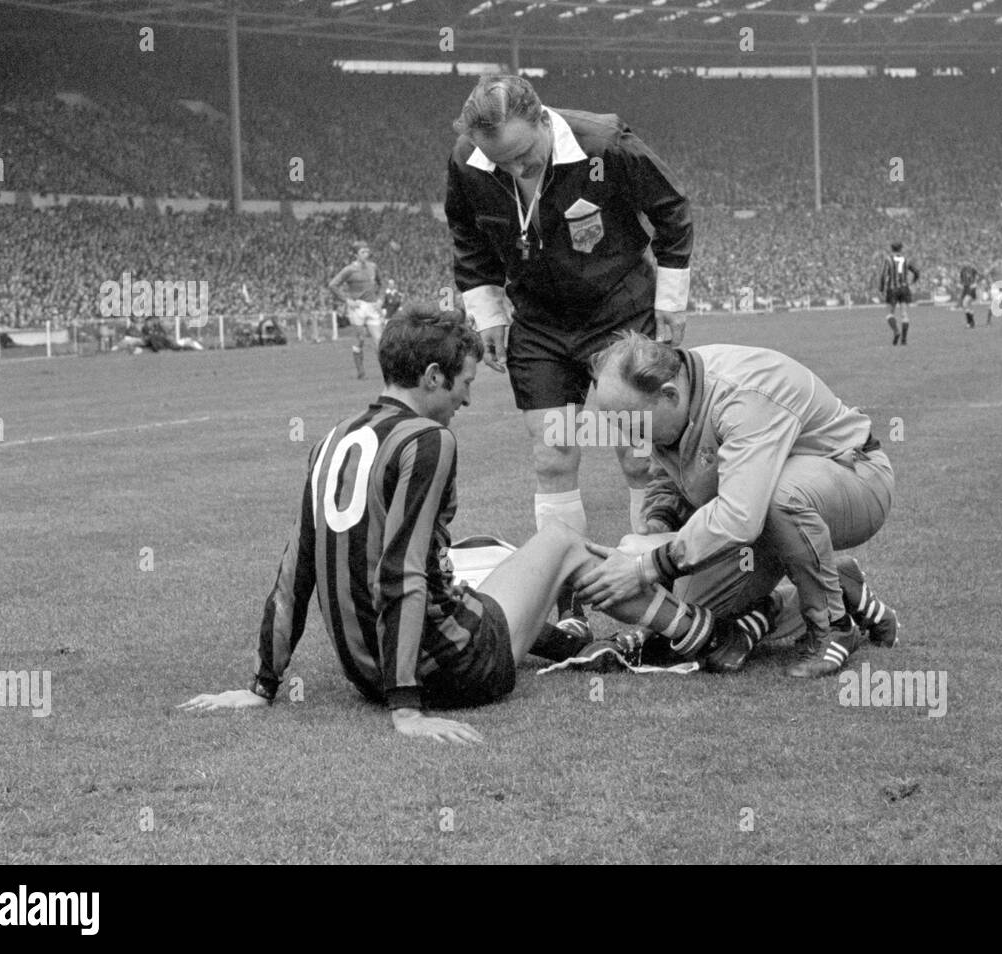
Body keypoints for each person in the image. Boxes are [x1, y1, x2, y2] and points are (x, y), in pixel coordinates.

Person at [179, 310, 763, 742]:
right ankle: (711, 636)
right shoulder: (427, 440)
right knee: (562, 544)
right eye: (464, 383)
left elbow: (295, 570)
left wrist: (262, 686)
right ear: (432, 376)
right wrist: (406, 709)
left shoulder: (331, 439)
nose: (466, 400)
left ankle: (567, 638)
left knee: (499, 573)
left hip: (364, 673)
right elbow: (404, 574)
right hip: (448, 670)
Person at [444, 74, 693, 615]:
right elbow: (467, 239)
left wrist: (670, 301)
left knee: (637, 454)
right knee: (552, 453)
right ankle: (566, 610)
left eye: (524, 156)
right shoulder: (467, 161)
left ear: (542, 119)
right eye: (500, 161)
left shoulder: (606, 146)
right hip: (538, 321)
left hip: (620, 312)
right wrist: (487, 314)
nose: (515, 170)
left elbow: (672, 211)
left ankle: (655, 596)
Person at [577, 333, 900, 678]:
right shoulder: (670, 393)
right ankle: (838, 586)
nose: (630, 438)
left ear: (670, 395)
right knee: (695, 619)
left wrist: (645, 567)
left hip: (856, 478)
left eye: (632, 424)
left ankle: (832, 626)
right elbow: (669, 475)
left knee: (781, 497)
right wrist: (658, 524)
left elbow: (739, 518)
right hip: (758, 507)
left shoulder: (741, 398)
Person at [328, 241, 384, 379]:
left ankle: (388, 374)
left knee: (379, 341)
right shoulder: (349, 270)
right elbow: (333, 285)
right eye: (362, 252)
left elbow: (382, 283)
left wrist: (380, 300)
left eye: (367, 251)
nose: (366, 254)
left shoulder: (373, 267)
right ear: (356, 255)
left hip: (372, 307)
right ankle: (361, 372)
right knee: (360, 339)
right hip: (358, 307)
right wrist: (347, 300)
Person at [879, 241, 920, 345]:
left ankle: (896, 331)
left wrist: (881, 289)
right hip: (904, 289)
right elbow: (916, 272)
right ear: (901, 249)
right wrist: (913, 282)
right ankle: (904, 340)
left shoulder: (888, 260)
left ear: (891, 249)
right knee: (904, 314)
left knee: (890, 313)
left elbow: (883, 275)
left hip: (892, 289)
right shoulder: (905, 260)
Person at [958, 264, 980, 329]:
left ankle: (970, 322)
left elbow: (978, 276)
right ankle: (971, 323)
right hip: (969, 289)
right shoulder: (964, 272)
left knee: (965, 304)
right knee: (968, 306)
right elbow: (962, 281)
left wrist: (975, 283)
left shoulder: (972, 271)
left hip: (972, 289)